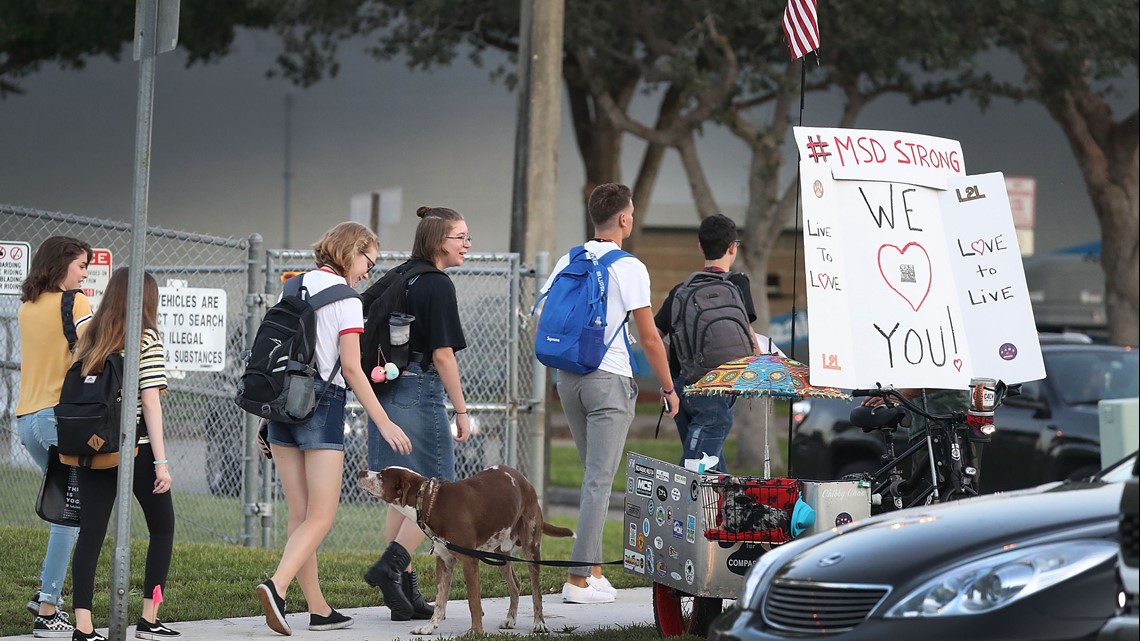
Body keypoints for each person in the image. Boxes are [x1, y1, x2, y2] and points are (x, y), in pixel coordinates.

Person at [256, 221, 412, 636]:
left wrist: (265, 418)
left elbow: (277, 357)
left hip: (281, 407)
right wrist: (383, 421)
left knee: (300, 516)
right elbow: (351, 368)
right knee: (322, 516)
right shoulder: (347, 299)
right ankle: (277, 586)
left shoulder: (292, 287)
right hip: (321, 405)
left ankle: (319, 610)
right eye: (368, 262)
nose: (367, 272)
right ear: (351, 251)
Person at [542, 183, 678, 605]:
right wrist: (668, 386)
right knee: (599, 481)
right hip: (609, 380)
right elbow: (649, 337)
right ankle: (578, 580)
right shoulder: (630, 266)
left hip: (567, 378)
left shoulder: (570, 259)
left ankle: (596, 571)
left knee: (592, 477)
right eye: (631, 213)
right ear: (622, 218)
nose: (631, 219)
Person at [363, 206, 472, 621]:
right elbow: (443, 356)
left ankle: (404, 594)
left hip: (384, 390)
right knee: (438, 491)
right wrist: (461, 410)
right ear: (438, 241)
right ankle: (389, 566)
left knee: (401, 496)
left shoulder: (400, 275)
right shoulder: (438, 285)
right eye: (460, 237)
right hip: (419, 391)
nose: (467, 245)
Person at [68, 268, 179, 641]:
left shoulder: (91, 335)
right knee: (162, 528)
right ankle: (149, 617)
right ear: (147, 300)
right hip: (136, 449)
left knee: (91, 533)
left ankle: (83, 625)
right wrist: (161, 463)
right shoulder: (146, 338)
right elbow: (151, 402)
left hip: (93, 447)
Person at [16, 236, 92, 639]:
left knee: (66, 506)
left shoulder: (26, 307)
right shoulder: (75, 302)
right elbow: (95, 351)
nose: (85, 274)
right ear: (62, 264)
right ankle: (48, 609)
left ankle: (47, 598)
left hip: (26, 419)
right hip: (58, 419)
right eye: (81, 265)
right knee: (70, 513)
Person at [654, 214, 759, 472]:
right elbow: (748, 332)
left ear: (700, 247)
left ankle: (718, 501)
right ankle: (678, 497)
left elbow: (654, 334)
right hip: (717, 388)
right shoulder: (737, 282)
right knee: (696, 468)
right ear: (733, 247)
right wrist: (759, 365)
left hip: (682, 387)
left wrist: (672, 368)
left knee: (711, 467)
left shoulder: (680, 291)